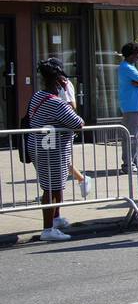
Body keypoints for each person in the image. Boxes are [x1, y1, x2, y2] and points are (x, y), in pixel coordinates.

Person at [27, 59, 85, 241]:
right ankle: (47, 229)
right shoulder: (56, 103)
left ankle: (56, 218)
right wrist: (66, 96)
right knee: (51, 188)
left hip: (42, 145)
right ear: (59, 80)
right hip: (50, 148)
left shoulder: (37, 95)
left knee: (57, 185)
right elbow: (78, 123)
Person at [52, 66, 90, 199]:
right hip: (57, 126)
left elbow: (72, 104)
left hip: (65, 124)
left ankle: (56, 190)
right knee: (62, 160)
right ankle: (81, 179)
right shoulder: (54, 84)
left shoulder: (65, 83)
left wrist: (60, 108)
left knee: (62, 160)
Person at [118, 42, 138, 173]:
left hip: (137, 106)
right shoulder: (127, 67)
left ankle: (137, 160)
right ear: (132, 55)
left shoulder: (130, 66)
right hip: (132, 107)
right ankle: (128, 164)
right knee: (132, 137)